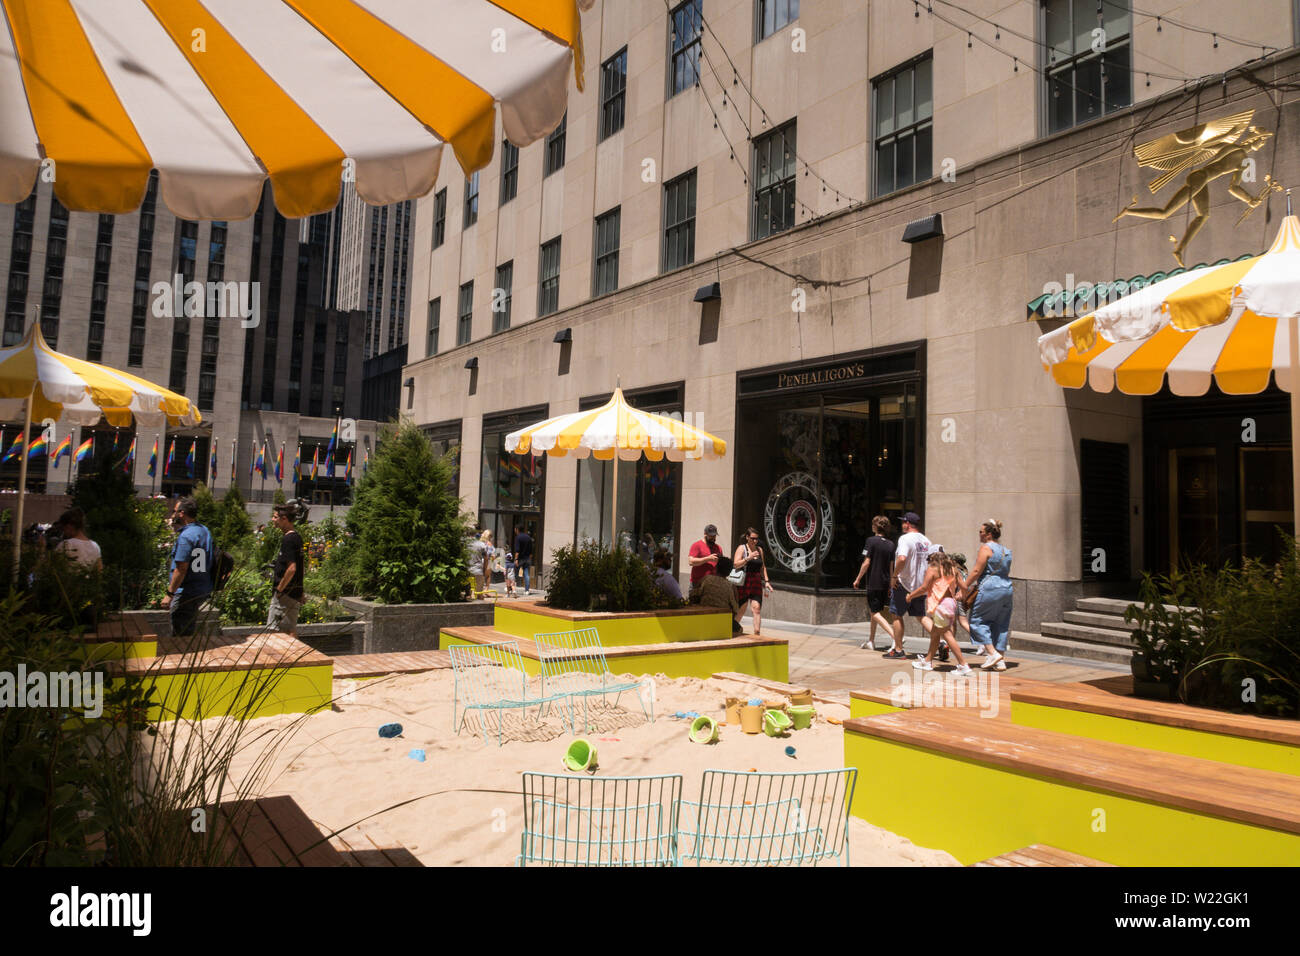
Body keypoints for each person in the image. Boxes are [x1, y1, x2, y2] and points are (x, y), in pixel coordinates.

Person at [908, 550, 972, 675]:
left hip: (941, 605)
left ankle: (963, 665)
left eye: (930, 560)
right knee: (935, 634)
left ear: (934, 560)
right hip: (951, 604)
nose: (929, 563)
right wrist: (961, 595)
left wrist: (910, 596)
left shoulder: (933, 569)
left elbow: (924, 588)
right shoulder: (953, 570)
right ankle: (927, 661)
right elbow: (965, 587)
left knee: (947, 635)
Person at [160, 496, 215, 638]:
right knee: (187, 631)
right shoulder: (204, 531)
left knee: (181, 636)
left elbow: (181, 569)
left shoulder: (186, 537)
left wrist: (169, 594)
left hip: (186, 592)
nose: (173, 514)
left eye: (174, 511)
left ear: (182, 513)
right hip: (200, 588)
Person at [963, 519, 1014, 671]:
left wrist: (963, 588)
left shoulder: (986, 548)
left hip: (989, 588)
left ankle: (992, 653)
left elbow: (977, 571)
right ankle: (1000, 660)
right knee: (1001, 623)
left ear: (988, 534)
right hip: (1007, 588)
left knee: (977, 620)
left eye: (981, 532)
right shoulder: (1007, 551)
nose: (979, 534)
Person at [885, 511, 932, 659]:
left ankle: (898, 650)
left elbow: (902, 558)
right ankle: (943, 641)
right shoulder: (926, 541)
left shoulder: (905, 539)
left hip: (904, 583)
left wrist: (894, 576)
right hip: (920, 586)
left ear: (907, 524)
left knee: (896, 615)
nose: (902, 525)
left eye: (903, 522)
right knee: (921, 616)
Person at [852, 515, 895, 651]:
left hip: (874, 582)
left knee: (875, 612)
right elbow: (891, 567)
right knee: (874, 612)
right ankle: (871, 640)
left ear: (875, 527)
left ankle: (896, 637)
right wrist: (890, 584)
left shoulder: (870, 541)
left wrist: (858, 578)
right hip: (885, 582)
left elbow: (866, 562)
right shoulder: (891, 544)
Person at [267, 500, 306, 636]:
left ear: (284, 519)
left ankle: (282, 658)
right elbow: (301, 566)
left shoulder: (288, 540)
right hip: (294, 593)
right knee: (290, 630)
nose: (273, 519)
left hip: (285, 595)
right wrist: (301, 591)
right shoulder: (296, 537)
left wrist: (279, 590)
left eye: (275, 517)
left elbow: (292, 568)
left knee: (275, 633)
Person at [732, 527, 773, 636]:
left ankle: (757, 634)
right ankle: (733, 630)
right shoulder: (742, 548)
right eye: (752, 538)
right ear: (747, 537)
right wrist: (748, 558)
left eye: (756, 539)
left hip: (756, 581)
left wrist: (767, 581)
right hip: (744, 581)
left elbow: (763, 567)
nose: (755, 541)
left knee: (756, 608)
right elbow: (735, 564)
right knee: (741, 609)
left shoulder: (759, 550)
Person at [696, 554, 744, 634]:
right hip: (722, 620)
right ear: (729, 572)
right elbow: (735, 609)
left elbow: (694, 596)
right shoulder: (731, 587)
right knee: (739, 630)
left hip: (703, 617)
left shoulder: (706, 579)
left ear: (716, 568)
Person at [55, 507, 102, 572]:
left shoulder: (66, 544)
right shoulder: (95, 546)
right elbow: (99, 571)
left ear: (68, 526)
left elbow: (54, 568)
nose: (63, 532)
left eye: (63, 529)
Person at [687, 523, 723, 600]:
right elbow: (691, 562)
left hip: (712, 585)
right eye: (711, 536)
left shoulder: (718, 547)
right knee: (695, 609)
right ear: (705, 534)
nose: (713, 538)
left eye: (714, 536)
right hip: (697, 584)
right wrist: (708, 558)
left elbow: (721, 565)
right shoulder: (697, 545)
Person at [512, 526, 534, 595]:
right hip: (527, 558)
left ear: (517, 529)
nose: (515, 530)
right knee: (526, 574)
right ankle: (527, 590)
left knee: (513, 573)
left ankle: (511, 588)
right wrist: (529, 558)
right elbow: (531, 550)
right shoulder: (528, 538)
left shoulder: (518, 537)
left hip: (520, 559)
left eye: (515, 529)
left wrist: (516, 559)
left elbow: (517, 550)